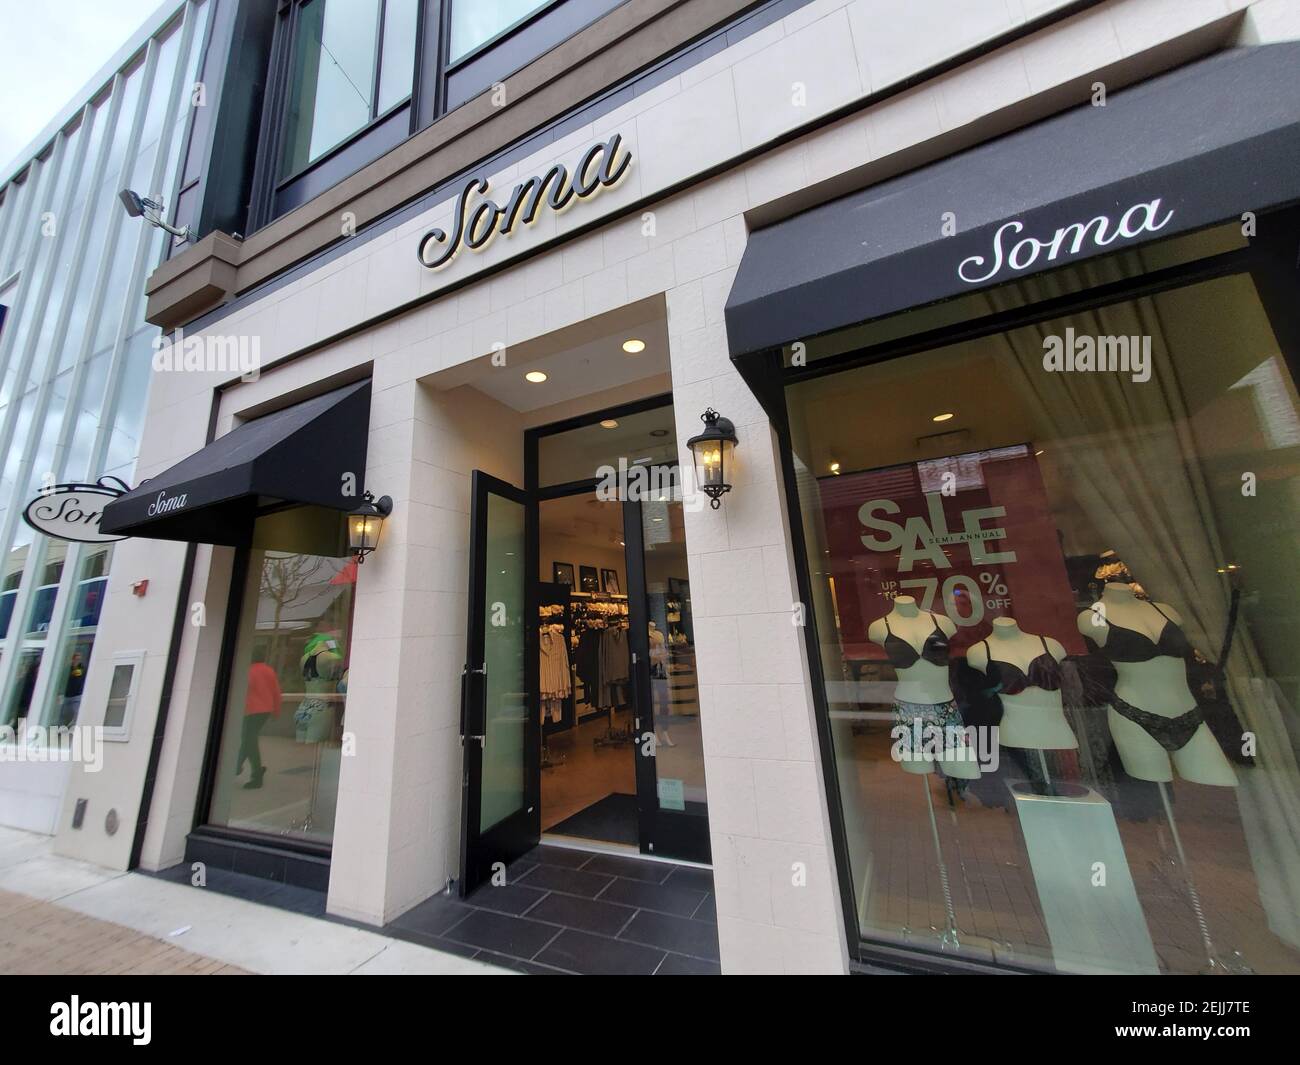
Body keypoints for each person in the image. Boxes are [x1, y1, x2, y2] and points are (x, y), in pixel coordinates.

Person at [238, 648, 281, 789]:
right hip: (265, 710)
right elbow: (276, 691)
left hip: (251, 710)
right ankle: (238, 767)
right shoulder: (269, 670)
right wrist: (276, 711)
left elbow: (243, 691)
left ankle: (255, 775)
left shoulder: (249, 671)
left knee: (249, 741)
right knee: (249, 740)